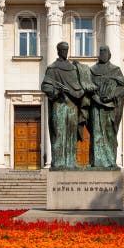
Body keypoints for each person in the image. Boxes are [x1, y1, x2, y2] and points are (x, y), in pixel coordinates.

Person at [41, 41, 96, 169]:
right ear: (58, 51)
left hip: (73, 106)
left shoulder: (73, 68)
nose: (65, 52)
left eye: (67, 50)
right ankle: (58, 162)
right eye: (63, 50)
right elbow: (46, 86)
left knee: (71, 135)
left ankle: (71, 162)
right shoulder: (53, 68)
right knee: (59, 134)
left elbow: (80, 85)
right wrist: (57, 91)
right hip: (59, 105)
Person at [88, 45, 124, 169]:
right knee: (96, 133)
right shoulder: (92, 70)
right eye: (101, 52)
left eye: (105, 52)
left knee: (110, 133)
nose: (103, 55)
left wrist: (112, 95)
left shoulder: (115, 70)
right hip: (96, 107)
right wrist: (94, 96)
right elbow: (87, 87)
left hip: (110, 107)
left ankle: (111, 160)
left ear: (109, 55)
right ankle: (96, 161)